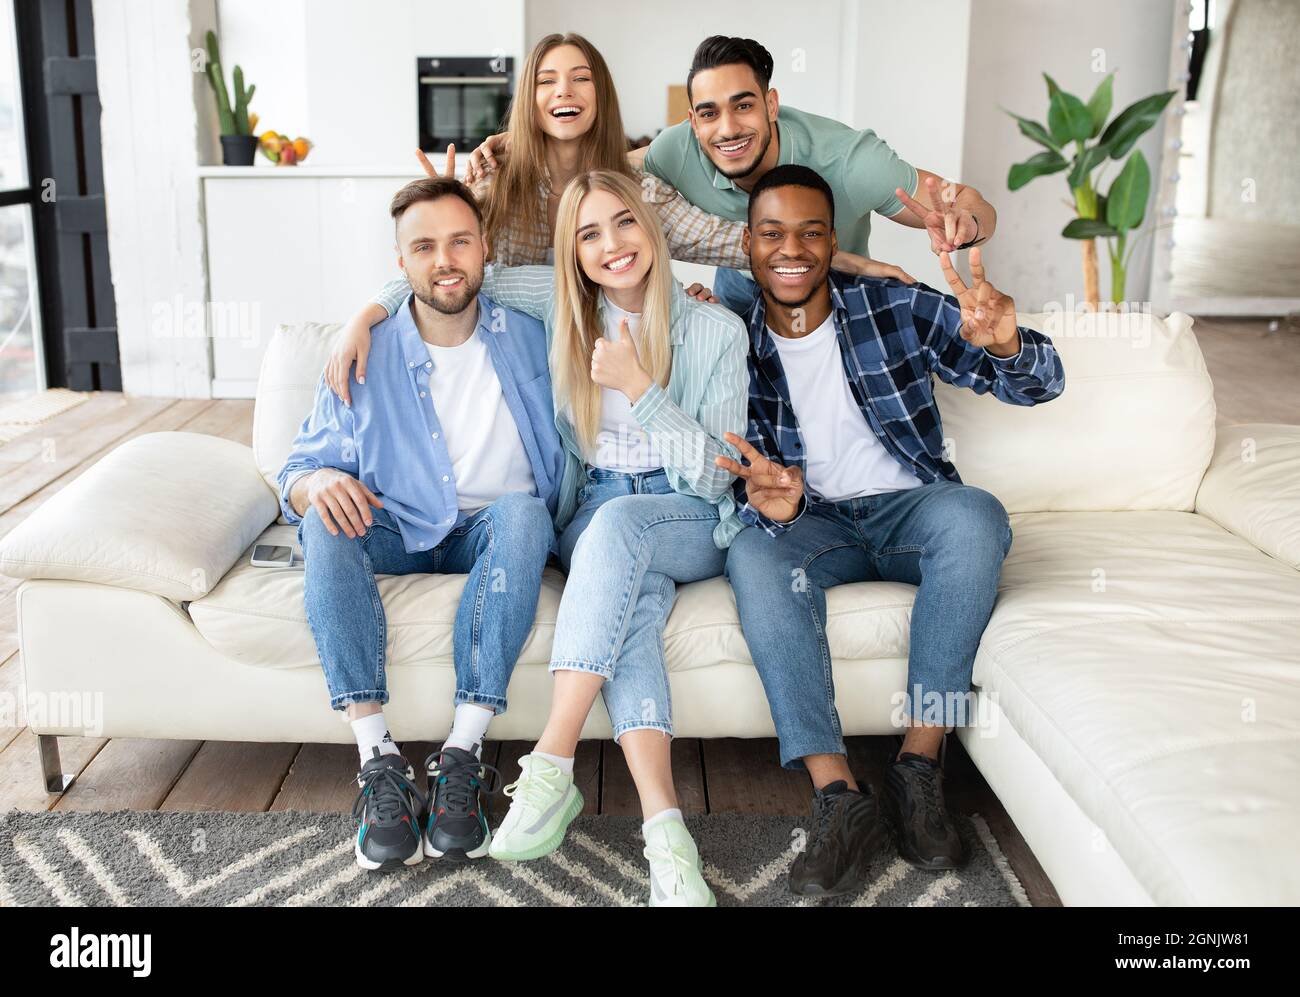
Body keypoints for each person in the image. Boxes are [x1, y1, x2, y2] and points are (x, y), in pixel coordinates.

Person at [327, 170, 749, 906]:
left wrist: (640, 388)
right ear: (572, 252)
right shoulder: (558, 306)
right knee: (633, 613)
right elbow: (446, 276)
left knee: (620, 530)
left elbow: (716, 481)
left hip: (683, 514)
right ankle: (667, 836)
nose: (610, 245)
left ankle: (550, 762)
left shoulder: (715, 329)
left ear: (649, 227)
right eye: (589, 234)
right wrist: (360, 318)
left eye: (623, 223)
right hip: (594, 517)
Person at [716, 164, 1064, 897]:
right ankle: (839, 794)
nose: (791, 248)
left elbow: (1039, 381)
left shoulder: (892, 305)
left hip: (910, 508)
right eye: (772, 233)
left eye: (810, 232)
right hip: (814, 525)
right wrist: (766, 505)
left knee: (977, 517)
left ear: (833, 240)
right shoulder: (728, 344)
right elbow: (715, 467)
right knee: (751, 550)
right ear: (747, 243)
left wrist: (1005, 342)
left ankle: (917, 765)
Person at [329, 34, 911, 404]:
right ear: (529, 98)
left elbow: (730, 240)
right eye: (548, 80)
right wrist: (368, 312)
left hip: (609, 373)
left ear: (600, 95)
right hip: (517, 366)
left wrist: (848, 260)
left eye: (581, 77)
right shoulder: (492, 179)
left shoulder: (634, 189)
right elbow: (440, 264)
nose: (566, 90)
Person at [277, 176, 564, 870]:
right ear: (400, 265)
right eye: (424, 246)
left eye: (460, 241)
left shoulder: (531, 336)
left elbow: (619, 300)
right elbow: (298, 469)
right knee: (322, 518)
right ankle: (377, 759)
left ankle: (461, 754)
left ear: (485, 248)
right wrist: (317, 482)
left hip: (495, 531)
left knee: (524, 513)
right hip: (396, 526)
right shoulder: (361, 353)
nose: (445, 260)